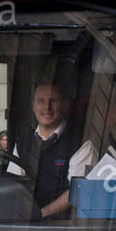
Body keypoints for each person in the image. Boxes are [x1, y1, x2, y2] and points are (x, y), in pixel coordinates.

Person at [6, 80, 96, 219]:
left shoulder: (82, 143)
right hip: (25, 224)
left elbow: (78, 191)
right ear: (33, 106)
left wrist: (41, 214)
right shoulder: (22, 142)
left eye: (53, 101)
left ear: (65, 105)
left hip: (64, 228)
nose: (47, 107)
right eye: (41, 101)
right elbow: (13, 184)